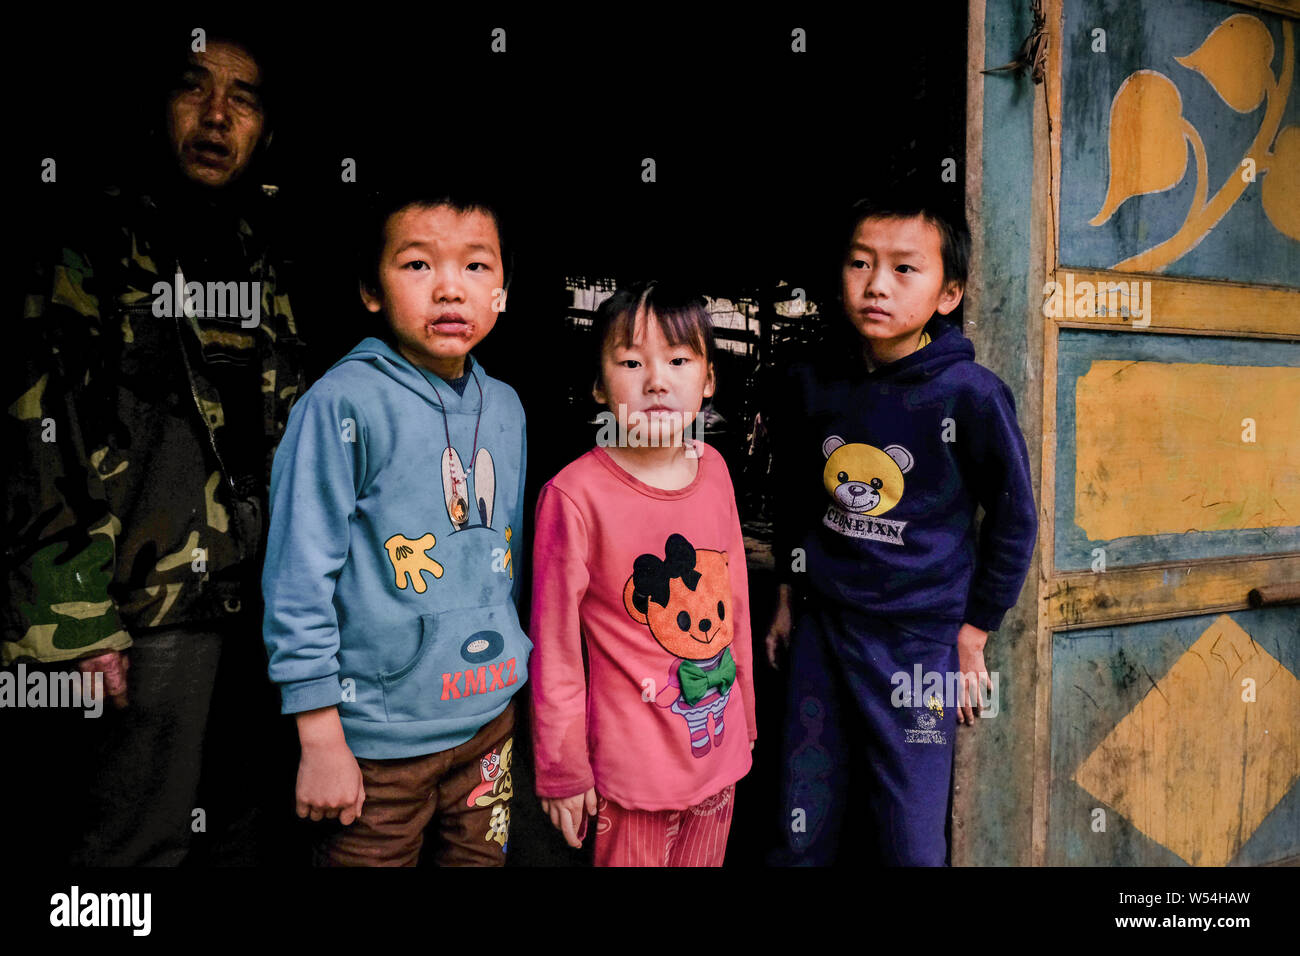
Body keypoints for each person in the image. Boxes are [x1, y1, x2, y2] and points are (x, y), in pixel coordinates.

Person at [3, 31, 305, 865]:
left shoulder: (260, 253)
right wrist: (78, 621)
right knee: (133, 849)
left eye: (242, 98)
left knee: (243, 826)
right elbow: (37, 440)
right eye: (193, 89)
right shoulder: (89, 242)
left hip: (262, 607)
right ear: (155, 108)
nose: (216, 116)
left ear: (265, 129)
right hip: (144, 614)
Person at [764, 191, 1037, 866]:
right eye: (861, 264)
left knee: (910, 841)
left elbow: (1015, 516)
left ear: (948, 295)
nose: (876, 285)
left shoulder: (969, 395)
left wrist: (973, 633)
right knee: (801, 827)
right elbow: (796, 498)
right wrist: (786, 599)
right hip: (824, 631)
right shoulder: (814, 385)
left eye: (904, 269)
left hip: (919, 642)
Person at [261, 188, 529, 866]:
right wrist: (320, 738)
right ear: (370, 289)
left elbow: (505, 559)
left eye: (476, 267)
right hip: (378, 742)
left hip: (490, 724)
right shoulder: (341, 403)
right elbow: (298, 573)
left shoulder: (506, 407)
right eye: (416, 265)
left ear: (502, 289)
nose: (449, 289)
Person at [529, 282, 756, 867]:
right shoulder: (574, 496)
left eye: (679, 360)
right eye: (631, 362)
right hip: (630, 778)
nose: (657, 380)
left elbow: (736, 608)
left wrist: (747, 715)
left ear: (708, 381)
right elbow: (554, 648)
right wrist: (562, 768)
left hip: (718, 761)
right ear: (600, 386)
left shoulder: (717, 471)